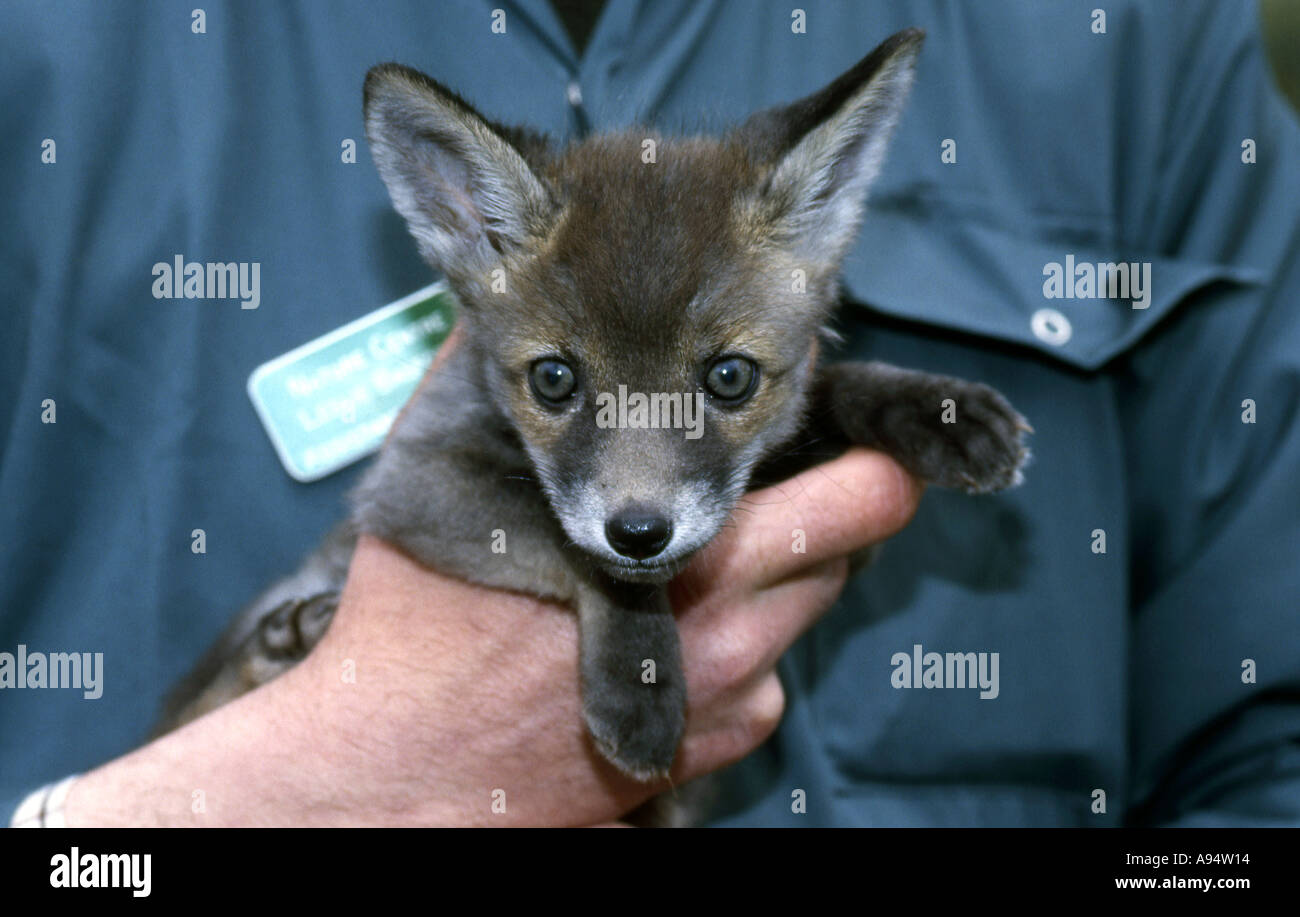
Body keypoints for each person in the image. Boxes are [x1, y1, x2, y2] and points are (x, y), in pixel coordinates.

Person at [3, 0, 1298, 827]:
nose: (635, 493)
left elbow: (1271, 746)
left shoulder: (1124, 37)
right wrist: (233, 808)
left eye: (728, 383)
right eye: (557, 386)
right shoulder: (50, 48)